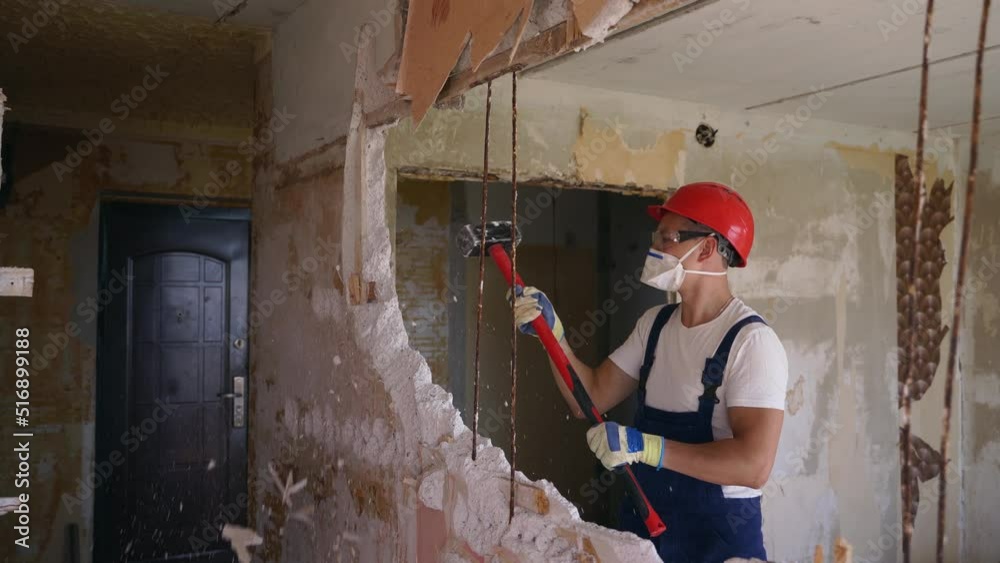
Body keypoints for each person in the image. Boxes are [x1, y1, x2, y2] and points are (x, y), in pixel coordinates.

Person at [510, 181, 788, 562]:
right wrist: (553, 336)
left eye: (667, 237)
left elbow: (754, 466)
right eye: (656, 236)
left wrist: (649, 448)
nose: (655, 247)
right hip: (648, 531)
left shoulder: (750, 342)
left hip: (719, 543)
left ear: (706, 247)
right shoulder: (654, 325)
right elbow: (588, 397)